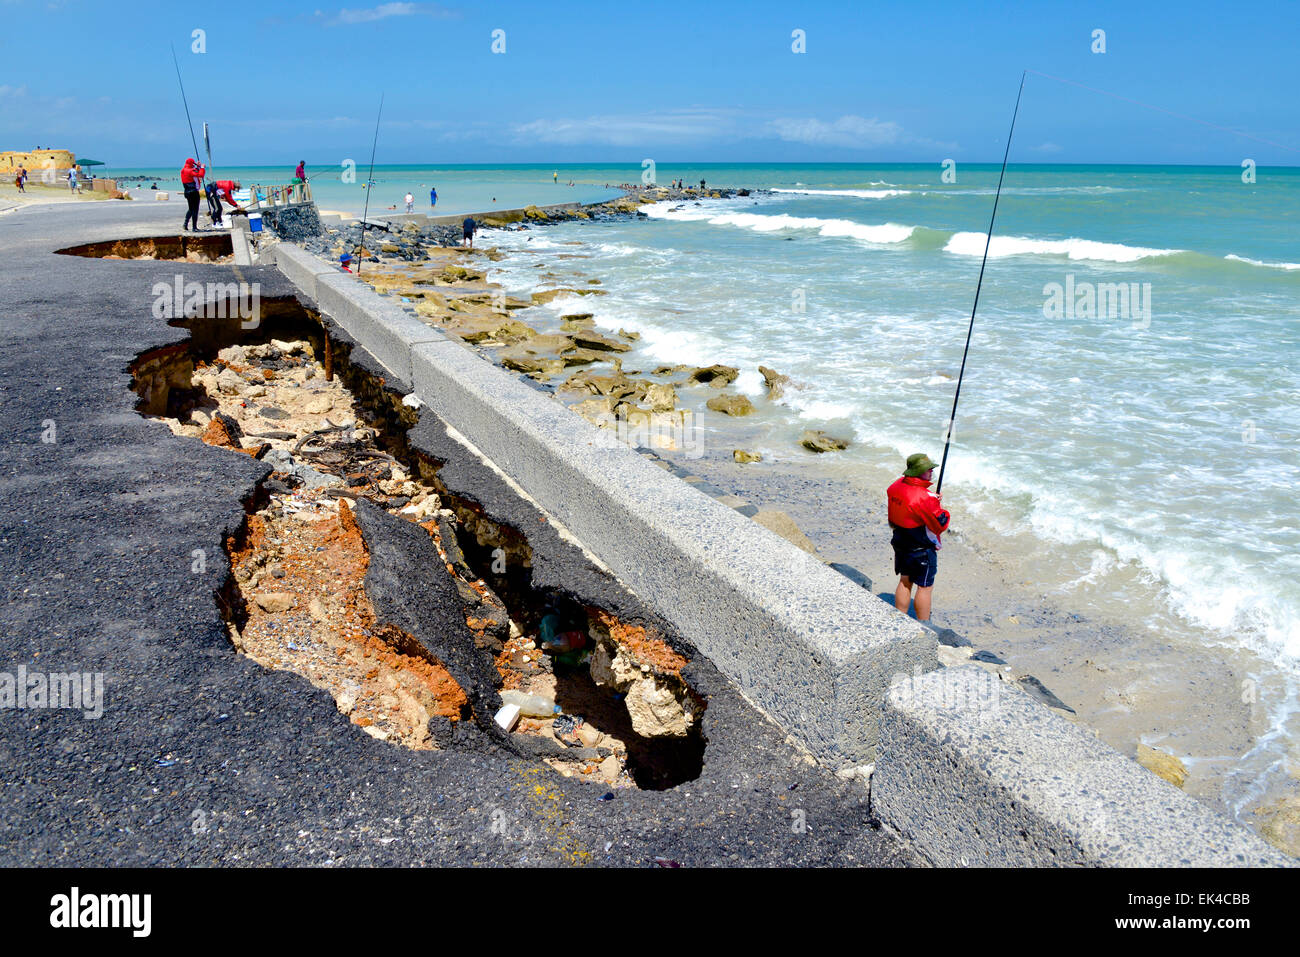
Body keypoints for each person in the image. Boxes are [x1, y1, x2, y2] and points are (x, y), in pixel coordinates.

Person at [886, 453, 951, 622]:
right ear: (918, 472)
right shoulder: (925, 498)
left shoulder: (895, 485)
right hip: (921, 548)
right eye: (928, 469)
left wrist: (931, 499)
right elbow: (940, 524)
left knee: (905, 580)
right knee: (925, 587)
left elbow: (910, 505)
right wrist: (938, 506)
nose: (931, 471)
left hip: (900, 541)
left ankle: (899, 620)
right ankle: (925, 626)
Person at [180, 157, 206, 231]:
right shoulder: (191, 171)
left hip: (187, 192)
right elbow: (200, 175)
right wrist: (202, 168)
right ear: (191, 164)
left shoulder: (183, 170)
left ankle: (185, 224)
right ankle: (194, 227)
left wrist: (198, 167)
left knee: (191, 209)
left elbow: (194, 172)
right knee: (195, 210)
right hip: (193, 192)